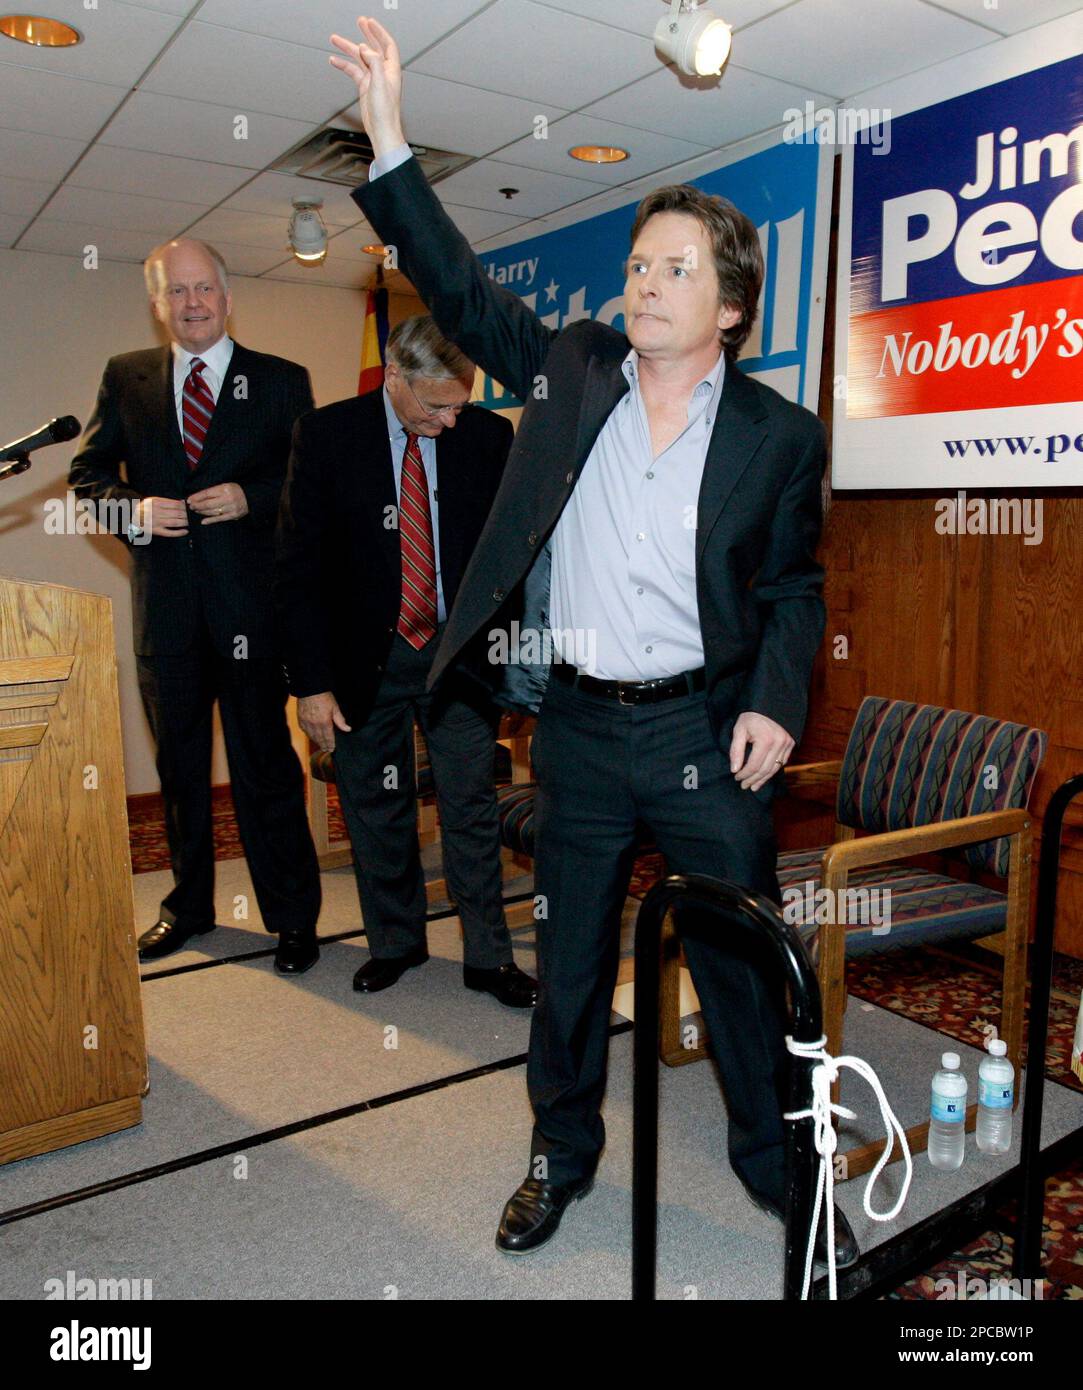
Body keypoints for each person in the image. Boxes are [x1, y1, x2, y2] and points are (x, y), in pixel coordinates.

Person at [331, 17, 856, 1268]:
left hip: (698, 731)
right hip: (575, 721)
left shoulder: (780, 437)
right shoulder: (573, 369)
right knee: (568, 959)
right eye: (638, 262)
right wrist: (395, 139)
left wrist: (779, 700)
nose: (643, 282)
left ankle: (782, 1166)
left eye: (675, 269)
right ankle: (559, 1155)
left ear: (730, 306)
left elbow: (792, 585)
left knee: (740, 964)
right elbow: (457, 289)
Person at [69, 238, 322, 976]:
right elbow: (87, 476)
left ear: (227, 293)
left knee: (266, 772)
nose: (193, 303)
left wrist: (252, 498)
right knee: (180, 774)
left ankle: (294, 921)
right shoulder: (128, 378)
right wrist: (135, 509)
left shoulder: (280, 381)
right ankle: (188, 908)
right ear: (157, 305)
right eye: (176, 292)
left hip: (252, 618)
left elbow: (308, 492)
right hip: (168, 621)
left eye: (204, 287)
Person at [275, 315, 536, 1009]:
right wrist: (310, 685)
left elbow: (505, 562)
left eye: (461, 402)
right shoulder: (327, 437)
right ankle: (396, 944)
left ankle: (487, 957)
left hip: (456, 658)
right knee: (375, 808)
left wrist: (507, 659)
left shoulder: (487, 437)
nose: (452, 421)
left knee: (470, 808)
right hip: (366, 659)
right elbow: (296, 570)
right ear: (394, 375)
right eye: (436, 404)